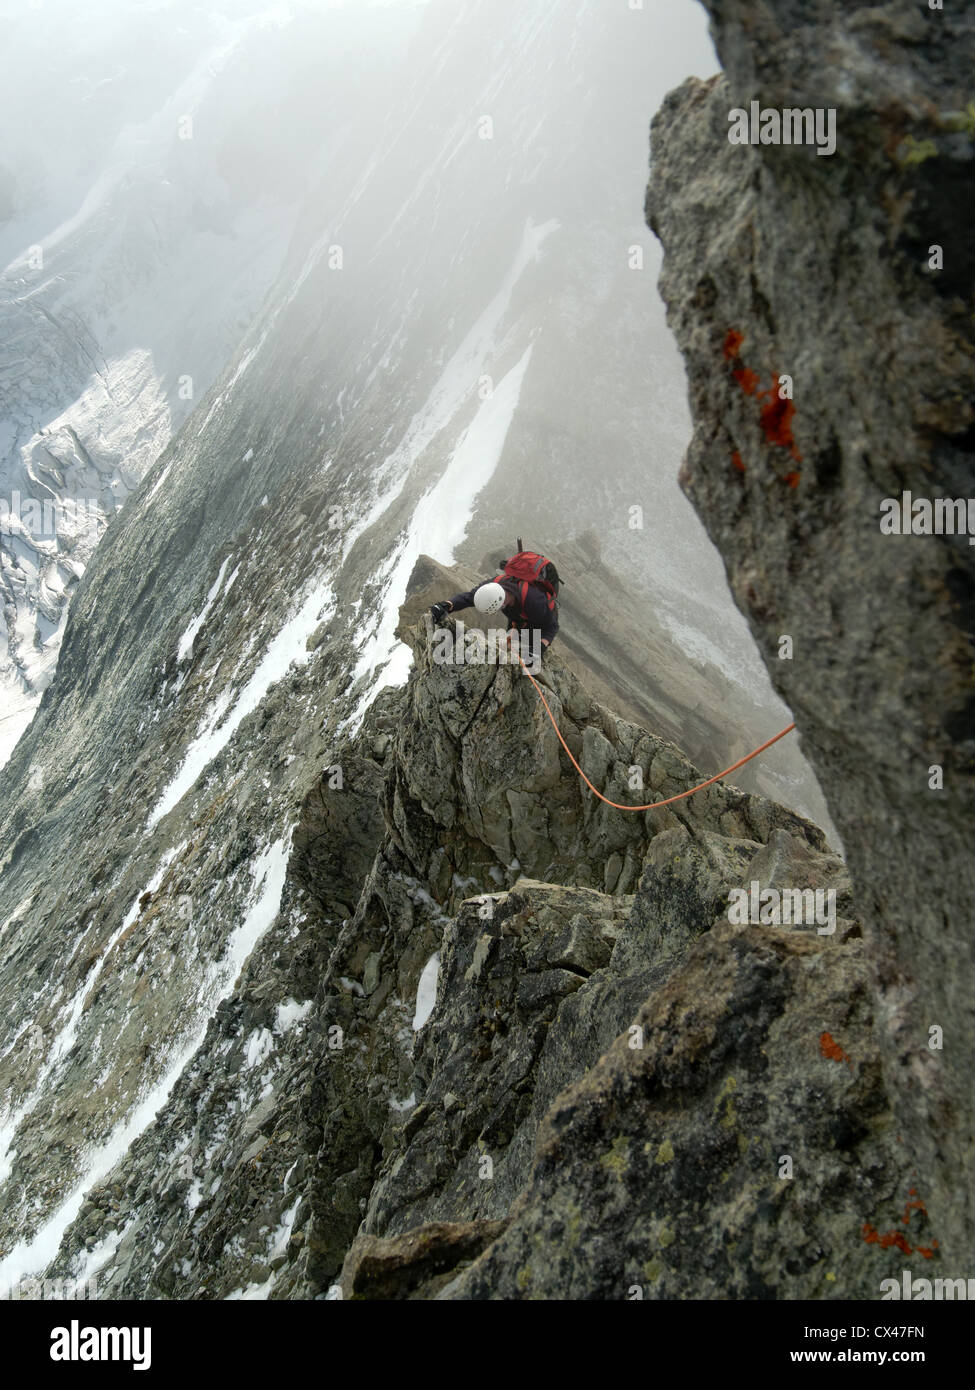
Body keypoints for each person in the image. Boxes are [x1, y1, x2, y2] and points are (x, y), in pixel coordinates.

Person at [430, 576, 558, 651]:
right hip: (518, 614)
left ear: (502, 605)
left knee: (527, 654)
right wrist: (447, 605)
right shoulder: (491, 587)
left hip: (539, 618)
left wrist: (541, 646)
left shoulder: (535, 602)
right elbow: (469, 598)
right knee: (509, 645)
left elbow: (552, 626)